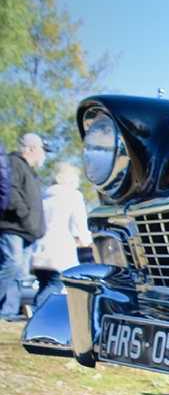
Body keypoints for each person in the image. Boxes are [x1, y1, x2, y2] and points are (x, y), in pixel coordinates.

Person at [29, 161, 92, 309]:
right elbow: (79, 224)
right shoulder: (73, 196)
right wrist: (86, 240)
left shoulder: (45, 197)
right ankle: (37, 313)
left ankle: (35, 310)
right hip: (60, 251)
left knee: (45, 284)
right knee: (55, 286)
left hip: (39, 250)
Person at [0, 133, 47, 321]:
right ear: (32, 149)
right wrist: (25, 216)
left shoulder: (30, 171)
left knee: (19, 273)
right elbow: (11, 193)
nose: (44, 156)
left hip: (27, 231)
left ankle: (7, 313)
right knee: (11, 265)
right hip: (13, 227)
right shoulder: (14, 163)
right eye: (43, 151)